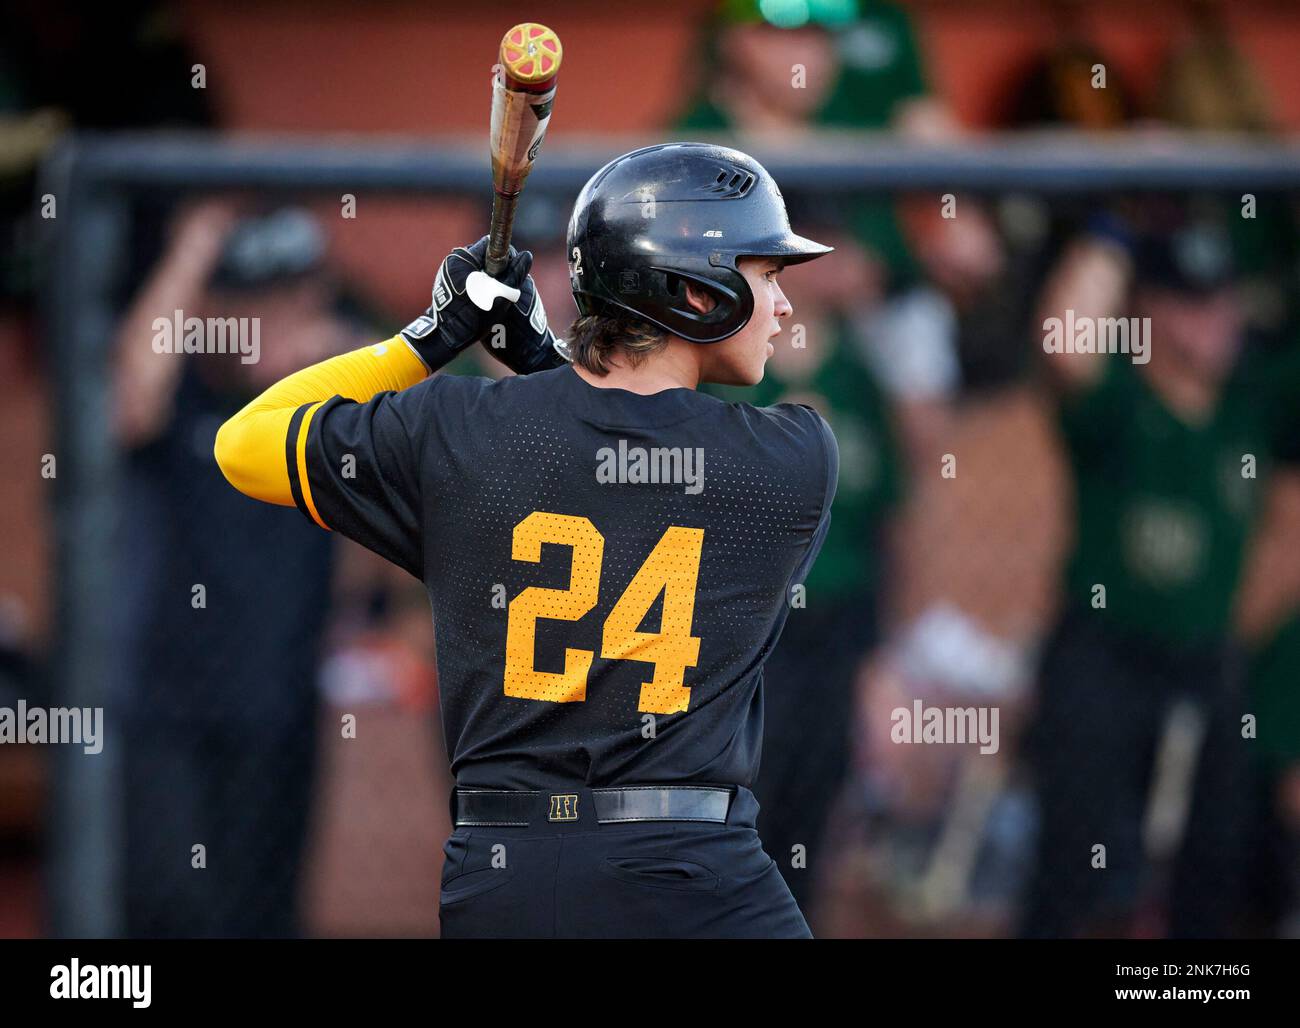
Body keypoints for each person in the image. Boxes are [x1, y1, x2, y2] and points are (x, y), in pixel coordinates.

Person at [214, 142, 838, 938]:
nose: (784, 305)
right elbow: (620, 456)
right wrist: (542, 362)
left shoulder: (456, 430)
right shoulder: (791, 460)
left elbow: (244, 444)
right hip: (696, 875)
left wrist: (432, 339)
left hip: (508, 878)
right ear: (694, 291)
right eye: (765, 274)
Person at [1021, 208, 1300, 938]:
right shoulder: (1120, 400)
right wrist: (1110, 226)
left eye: (1223, 300)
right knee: (1077, 872)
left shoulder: (1250, 404)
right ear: (1148, 310)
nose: (1215, 321)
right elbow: (1064, 344)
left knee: (1208, 881)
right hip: (1104, 658)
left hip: (1208, 666)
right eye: (1192, 303)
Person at [113, 203, 364, 937]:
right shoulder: (180, 388)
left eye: (289, 297)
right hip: (162, 703)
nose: (269, 319)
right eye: (250, 299)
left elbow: (414, 421)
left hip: (278, 705)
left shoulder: (330, 406)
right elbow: (129, 401)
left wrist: (337, 360)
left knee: (261, 916)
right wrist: (191, 252)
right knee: (163, 906)